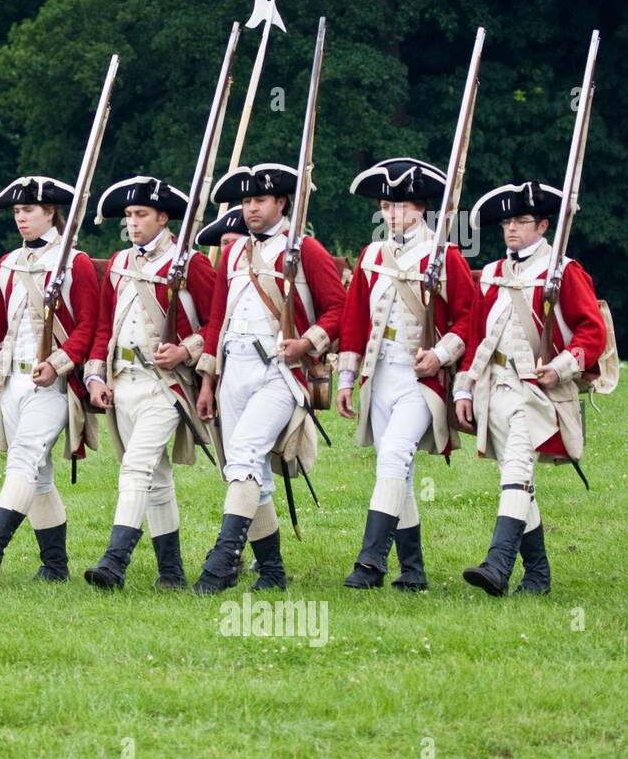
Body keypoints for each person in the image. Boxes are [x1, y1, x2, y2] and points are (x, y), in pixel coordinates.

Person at [192, 163, 345, 593]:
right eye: (245, 201)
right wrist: (208, 381)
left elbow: (338, 308)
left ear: (281, 203)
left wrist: (306, 343)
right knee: (249, 467)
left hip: (280, 372)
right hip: (233, 368)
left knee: (243, 455)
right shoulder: (234, 253)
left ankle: (222, 562)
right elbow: (217, 319)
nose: (251, 208)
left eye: (259, 200)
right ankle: (272, 572)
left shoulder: (304, 250)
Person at [454, 181, 607, 595]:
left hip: (538, 393)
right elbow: (473, 337)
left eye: (522, 221)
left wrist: (560, 368)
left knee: (518, 470)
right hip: (494, 389)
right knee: (516, 481)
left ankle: (497, 564)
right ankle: (537, 574)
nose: (512, 229)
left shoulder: (564, 272)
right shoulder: (491, 275)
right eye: (507, 221)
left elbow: (593, 334)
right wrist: (464, 389)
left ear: (543, 226)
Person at [336, 158, 475, 590]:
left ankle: (370, 562)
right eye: (386, 206)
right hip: (380, 375)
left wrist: (440, 354)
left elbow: (469, 319)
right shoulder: (372, 255)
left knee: (395, 454)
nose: (392, 214)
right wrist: (346, 377)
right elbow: (355, 319)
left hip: (422, 380)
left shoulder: (445, 256)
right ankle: (413, 572)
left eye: (400, 206)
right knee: (397, 471)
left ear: (420, 209)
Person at [0, 176, 100, 581]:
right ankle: (55, 566)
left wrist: (59, 362)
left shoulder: (76, 262)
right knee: (38, 475)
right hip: (12, 383)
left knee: (24, 460)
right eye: (17, 212)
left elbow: (89, 326)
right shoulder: (7, 265)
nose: (21, 218)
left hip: (53, 385)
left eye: (29, 211)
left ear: (50, 213)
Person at [80, 175, 215, 590]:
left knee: (137, 468)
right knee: (155, 477)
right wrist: (94, 376)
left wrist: (186, 351)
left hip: (165, 385)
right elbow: (105, 326)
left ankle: (114, 561)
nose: (133, 223)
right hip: (123, 383)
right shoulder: (120, 263)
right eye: (128, 215)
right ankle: (171, 574)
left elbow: (216, 323)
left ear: (162, 217)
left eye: (141, 215)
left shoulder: (190, 263)